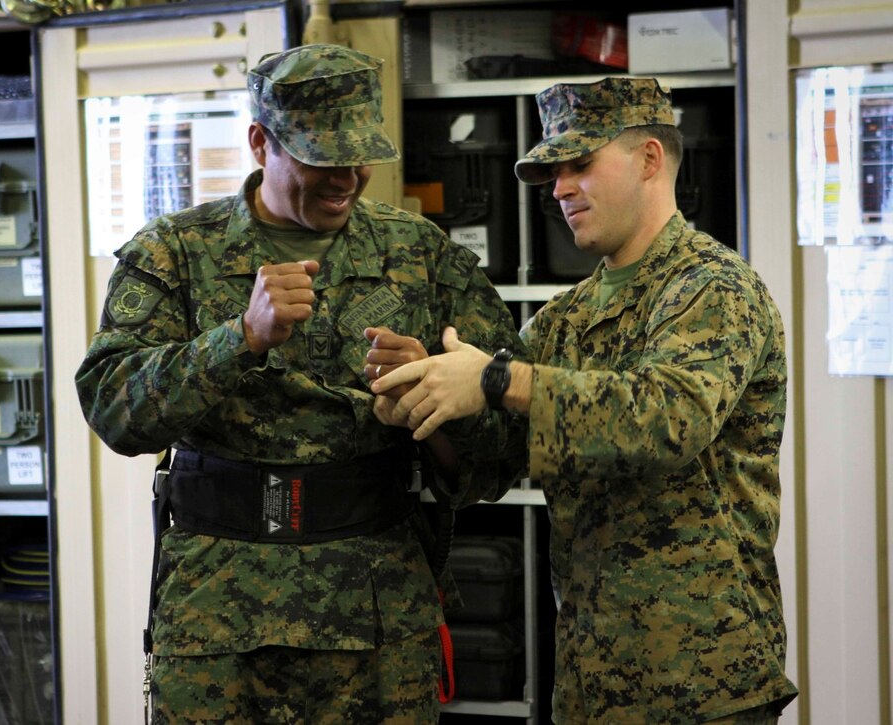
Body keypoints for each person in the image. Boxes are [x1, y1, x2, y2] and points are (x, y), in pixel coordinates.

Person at [75, 43, 527, 723]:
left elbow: (502, 454)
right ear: (261, 143)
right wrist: (240, 339)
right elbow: (114, 409)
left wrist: (432, 405)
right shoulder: (174, 253)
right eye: (323, 159)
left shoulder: (422, 257)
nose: (348, 178)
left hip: (375, 616)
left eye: (360, 157)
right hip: (217, 619)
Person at [371, 77, 800, 724]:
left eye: (580, 165)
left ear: (650, 159)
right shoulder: (564, 319)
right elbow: (492, 467)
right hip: (592, 682)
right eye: (552, 174)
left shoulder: (714, 289)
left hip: (706, 683)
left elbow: (664, 419)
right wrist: (428, 400)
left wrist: (493, 379)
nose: (561, 188)